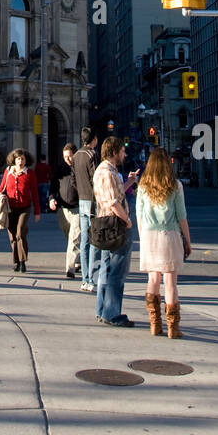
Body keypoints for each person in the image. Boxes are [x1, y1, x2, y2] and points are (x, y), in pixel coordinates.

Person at [136, 147, 191, 338]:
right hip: (170, 235)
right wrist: (188, 241)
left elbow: (139, 214)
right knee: (170, 283)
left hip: (149, 236)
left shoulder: (143, 185)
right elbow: (181, 216)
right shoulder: (175, 185)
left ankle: (154, 324)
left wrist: (143, 236)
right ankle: (173, 328)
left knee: (152, 280)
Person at [92, 136, 135, 326]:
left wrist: (129, 182)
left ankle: (103, 310)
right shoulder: (107, 172)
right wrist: (127, 221)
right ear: (114, 152)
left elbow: (114, 194)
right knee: (117, 271)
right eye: (122, 151)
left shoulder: (106, 171)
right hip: (115, 225)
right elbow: (113, 202)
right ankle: (111, 313)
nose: (124, 154)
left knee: (107, 269)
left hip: (107, 223)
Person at [0, 147, 40, 272]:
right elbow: (1, 188)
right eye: (18, 159)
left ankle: (23, 261)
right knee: (13, 236)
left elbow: (35, 193)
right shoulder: (8, 172)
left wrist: (37, 211)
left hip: (25, 208)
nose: (21, 161)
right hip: (10, 208)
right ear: (14, 160)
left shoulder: (29, 173)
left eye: (23, 159)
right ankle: (16, 261)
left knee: (20, 232)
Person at [71, 127, 99, 292]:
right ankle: (91, 279)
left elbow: (74, 178)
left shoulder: (76, 156)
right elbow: (95, 178)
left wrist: (81, 191)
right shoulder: (91, 155)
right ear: (93, 139)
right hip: (92, 201)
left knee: (84, 240)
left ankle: (84, 279)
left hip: (82, 200)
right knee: (94, 239)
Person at [49, 142, 81, 278]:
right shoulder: (60, 168)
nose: (67, 159)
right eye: (65, 157)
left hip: (78, 208)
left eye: (70, 156)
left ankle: (70, 268)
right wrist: (51, 198)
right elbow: (54, 185)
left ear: (75, 154)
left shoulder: (80, 168)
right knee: (69, 236)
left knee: (74, 237)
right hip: (63, 209)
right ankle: (78, 260)